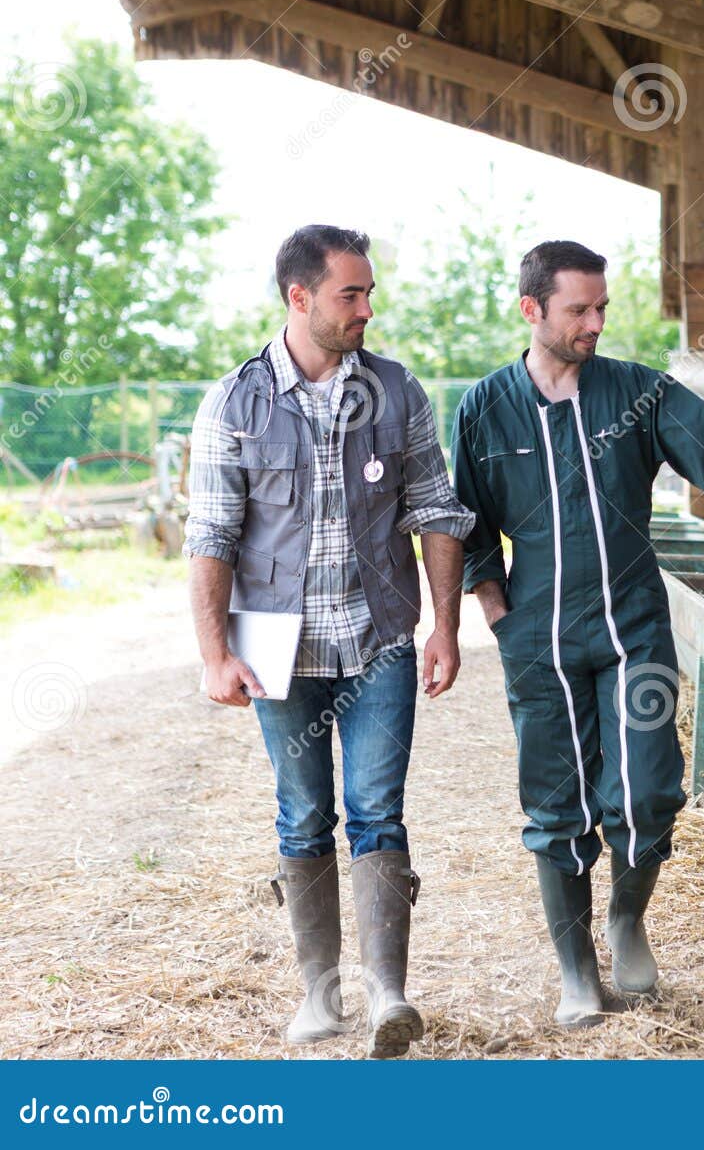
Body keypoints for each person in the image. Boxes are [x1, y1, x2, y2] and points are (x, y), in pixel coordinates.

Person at [453, 240, 704, 1028]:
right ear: (532, 310)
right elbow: (469, 525)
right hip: (539, 636)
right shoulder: (484, 408)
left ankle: (625, 917)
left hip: (633, 628)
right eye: (578, 309)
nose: (595, 323)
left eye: (602, 308)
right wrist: (496, 613)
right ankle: (577, 970)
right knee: (556, 806)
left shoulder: (638, 392)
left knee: (648, 789)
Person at [183, 225, 475, 1058]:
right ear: (300, 296)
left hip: (379, 639)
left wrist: (446, 625)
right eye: (352, 293)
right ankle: (320, 992)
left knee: (378, 809)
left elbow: (436, 510)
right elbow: (211, 535)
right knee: (303, 813)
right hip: (276, 651)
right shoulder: (234, 404)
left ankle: (388, 993)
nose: (367, 309)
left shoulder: (397, 391)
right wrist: (214, 654)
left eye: (369, 292)